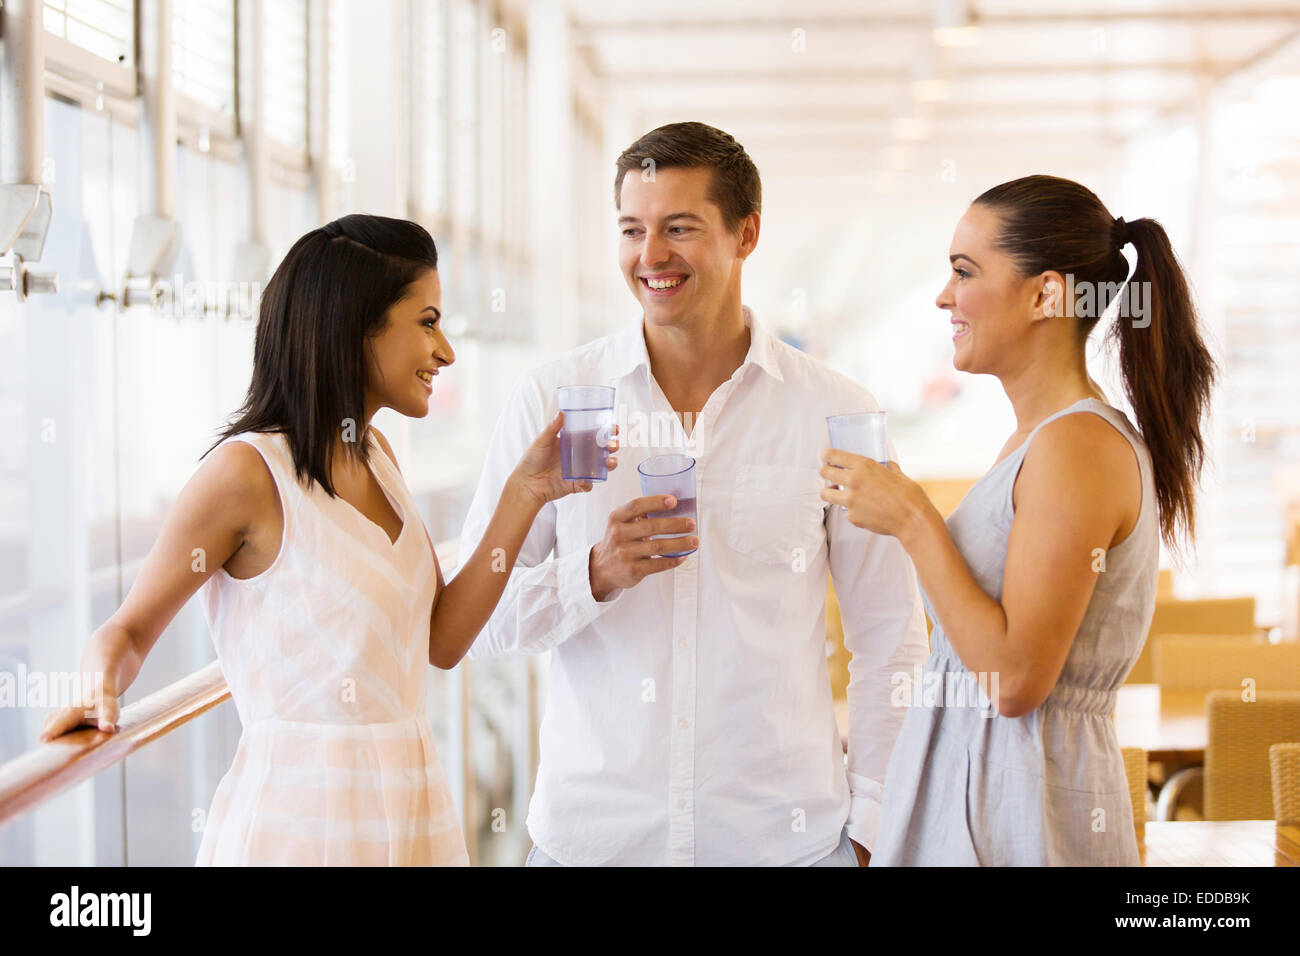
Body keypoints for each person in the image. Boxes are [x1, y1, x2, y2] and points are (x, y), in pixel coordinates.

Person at [41, 215, 617, 866]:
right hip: (301, 829)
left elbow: (445, 639)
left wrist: (524, 494)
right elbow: (128, 631)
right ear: (356, 324)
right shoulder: (245, 475)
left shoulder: (379, 458)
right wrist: (97, 684)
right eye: (427, 322)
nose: (446, 351)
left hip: (412, 816)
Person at [457, 122, 929, 866]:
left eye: (679, 228)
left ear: (747, 233)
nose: (651, 256)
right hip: (594, 842)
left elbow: (892, 637)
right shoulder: (554, 400)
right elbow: (475, 623)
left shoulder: (835, 414)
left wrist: (871, 826)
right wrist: (592, 574)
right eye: (632, 230)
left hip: (785, 843)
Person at [820, 175, 1216, 865]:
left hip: (1026, 815)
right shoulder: (1044, 442)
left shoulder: (1078, 446)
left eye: (965, 271)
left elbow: (1015, 680)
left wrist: (916, 520)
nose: (944, 295)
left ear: (1047, 294)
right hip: (991, 800)